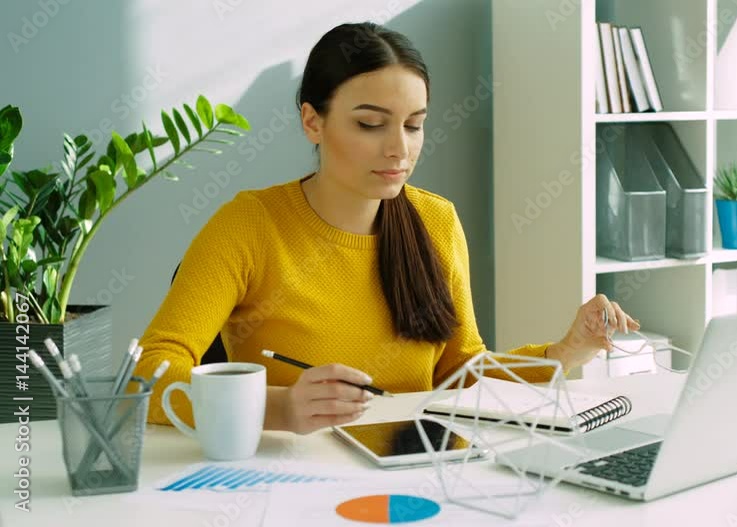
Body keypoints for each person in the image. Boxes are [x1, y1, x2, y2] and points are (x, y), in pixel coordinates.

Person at [135, 22, 639, 435]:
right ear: (313, 122)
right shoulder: (248, 225)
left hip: (415, 471)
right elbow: (150, 373)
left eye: (414, 124)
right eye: (371, 124)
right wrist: (282, 409)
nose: (399, 148)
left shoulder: (436, 222)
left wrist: (562, 352)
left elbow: (461, 373)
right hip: (293, 482)